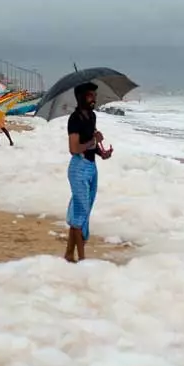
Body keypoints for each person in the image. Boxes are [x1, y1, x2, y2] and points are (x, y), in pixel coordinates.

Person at [65, 82, 111, 263]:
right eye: (90, 96)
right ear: (81, 97)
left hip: (92, 167)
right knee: (80, 212)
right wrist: (93, 140)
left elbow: (92, 146)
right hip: (78, 167)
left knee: (83, 211)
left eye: (94, 95)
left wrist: (102, 152)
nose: (94, 99)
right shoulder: (74, 119)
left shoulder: (91, 116)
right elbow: (74, 148)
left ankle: (69, 254)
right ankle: (83, 259)